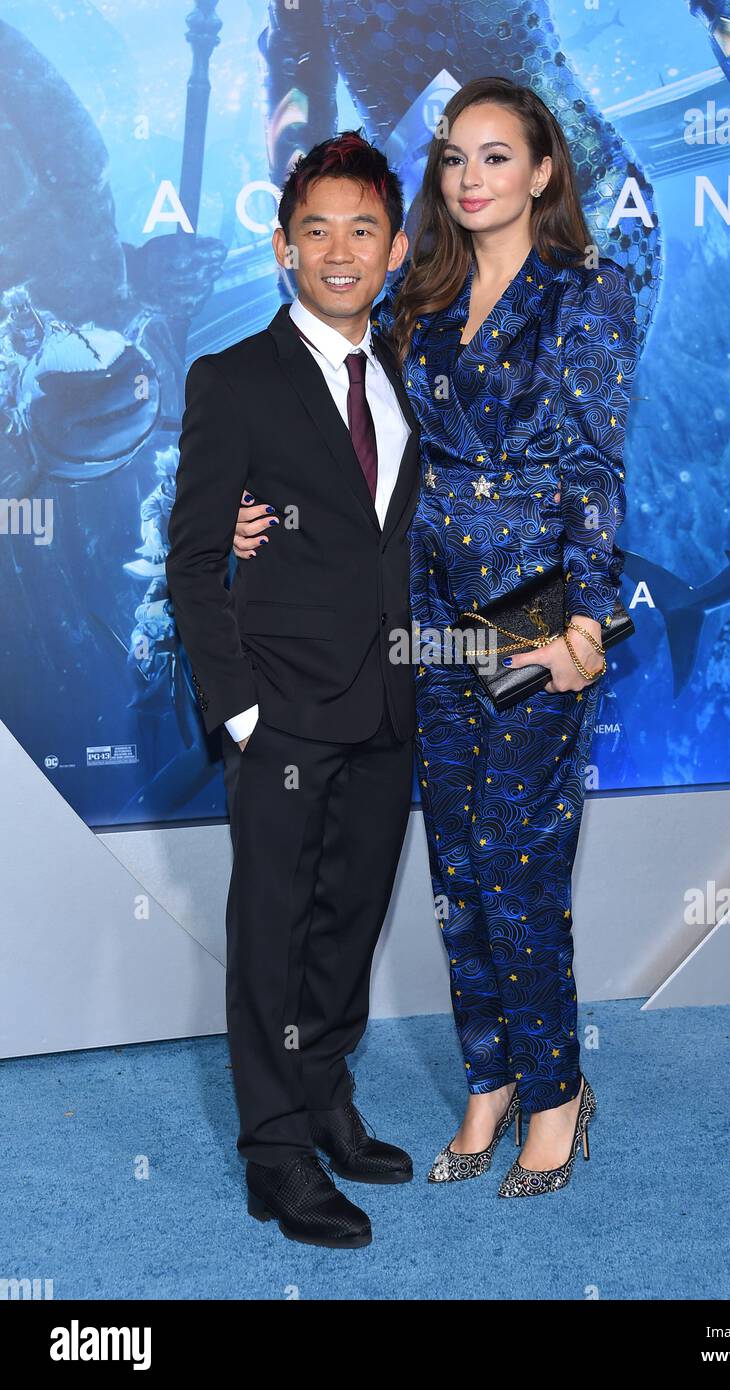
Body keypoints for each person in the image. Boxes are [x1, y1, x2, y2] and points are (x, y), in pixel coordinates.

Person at [235, 78, 640, 1197]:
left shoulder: (587, 292)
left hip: (536, 611)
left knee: (517, 860)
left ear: (542, 172)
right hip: (428, 616)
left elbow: (599, 470)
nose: (470, 177)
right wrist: (251, 502)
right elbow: (339, 423)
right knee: (458, 861)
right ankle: (489, 1077)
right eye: (456, 157)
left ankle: (556, 1089)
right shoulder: (421, 293)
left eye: (496, 157)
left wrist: (586, 620)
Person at [165, 133, 420, 1249]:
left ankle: (326, 1100)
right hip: (281, 710)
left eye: (361, 229)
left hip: (391, 705)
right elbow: (190, 561)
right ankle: (273, 1150)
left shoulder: (414, 367)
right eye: (315, 228)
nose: (338, 250)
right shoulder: (232, 379)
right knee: (270, 932)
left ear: (396, 248)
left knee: (348, 923)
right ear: (281, 247)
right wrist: (241, 712)